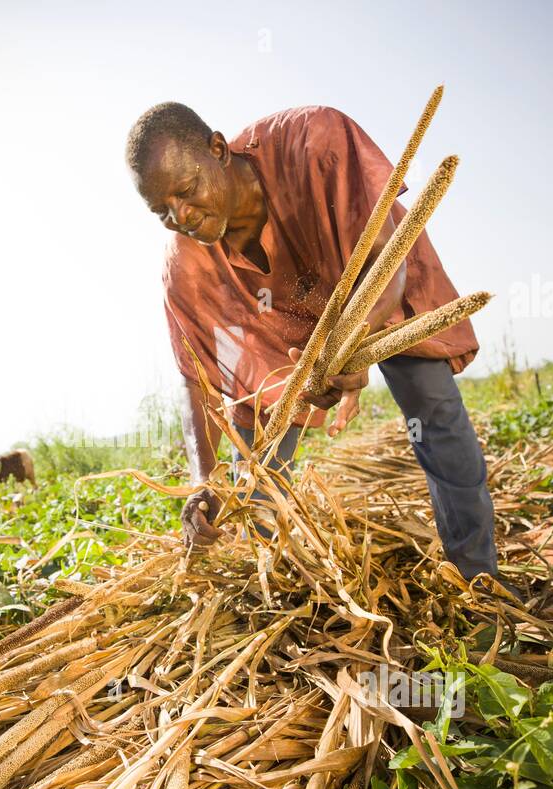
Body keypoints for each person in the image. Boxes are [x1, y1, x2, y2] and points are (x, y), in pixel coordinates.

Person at [125, 101, 515, 597]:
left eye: (187, 191)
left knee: (431, 405)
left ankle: (478, 578)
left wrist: (343, 354)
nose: (180, 216)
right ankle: (282, 597)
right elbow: (195, 376)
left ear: (219, 150)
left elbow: (385, 261)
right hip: (279, 336)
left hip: (374, 298)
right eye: (161, 211)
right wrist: (206, 483)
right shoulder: (184, 265)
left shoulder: (314, 140)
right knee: (255, 465)